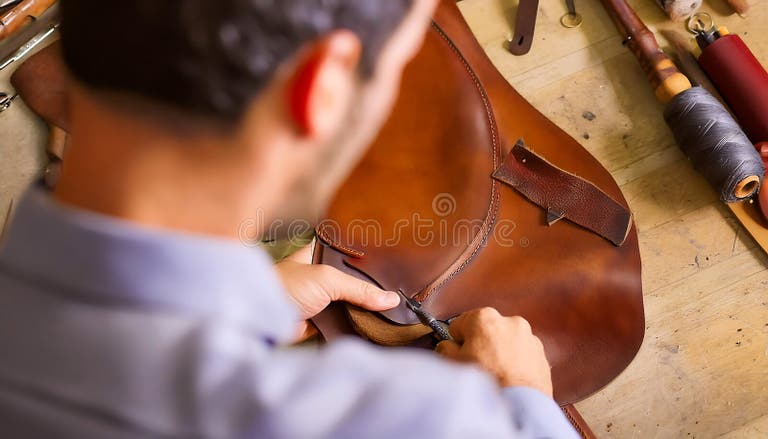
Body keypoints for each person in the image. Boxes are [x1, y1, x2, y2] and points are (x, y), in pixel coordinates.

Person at [0, 0, 579, 437]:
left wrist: (245, 306)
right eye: (397, 70)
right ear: (322, 89)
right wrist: (524, 403)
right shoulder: (431, 420)